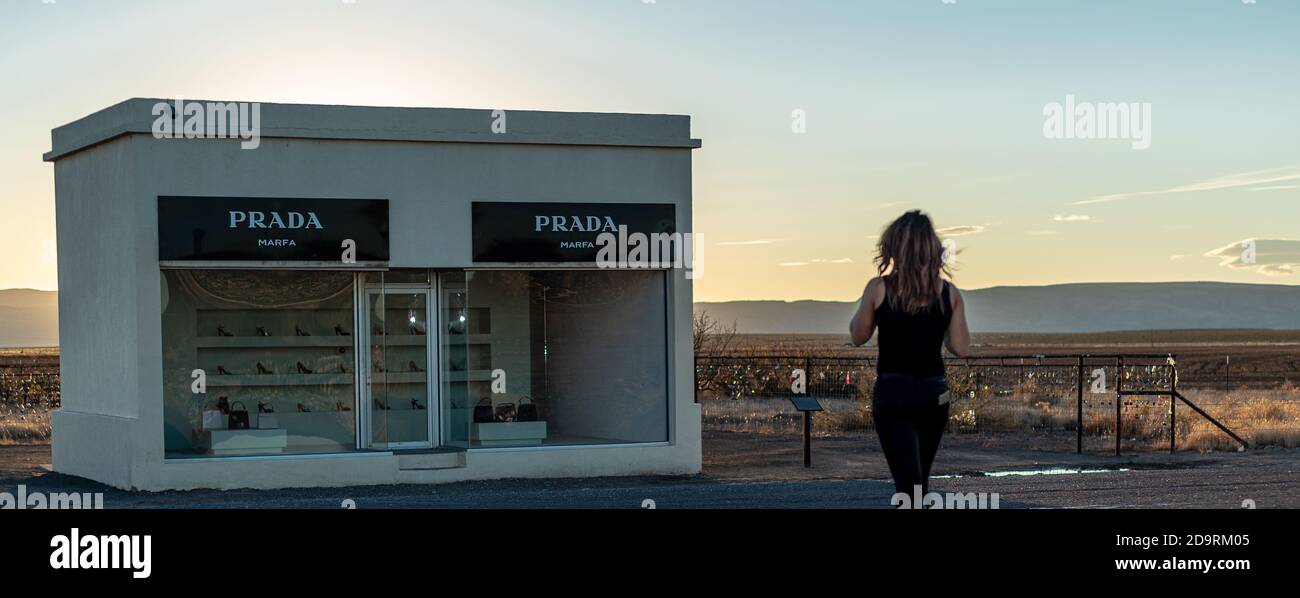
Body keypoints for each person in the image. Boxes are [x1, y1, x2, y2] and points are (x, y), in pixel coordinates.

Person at [849, 210, 971, 502]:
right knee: (918, 483)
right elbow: (961, 347)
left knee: (909, 485)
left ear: (893, 247)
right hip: (933, 395)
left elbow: (857, 335)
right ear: (932, 249)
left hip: (893, 394)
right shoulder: (948, 294)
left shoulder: (879, 289)